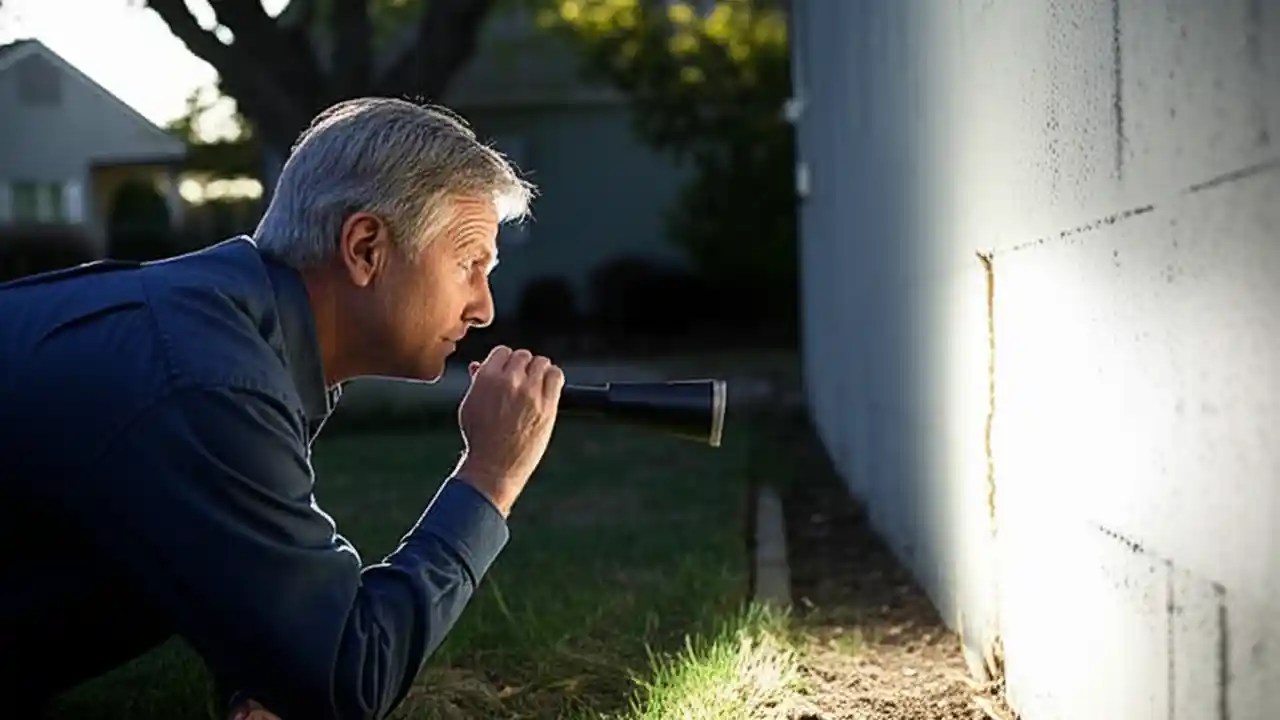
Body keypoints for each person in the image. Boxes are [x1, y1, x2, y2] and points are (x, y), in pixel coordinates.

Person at [0, 97, 563, 720]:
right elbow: (349, 676)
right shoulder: (210, 379)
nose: (483, 308)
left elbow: (213, 567)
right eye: (468, 266)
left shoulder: (218, 328)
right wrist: (490, 477)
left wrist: (265, 668)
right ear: (365, 248)